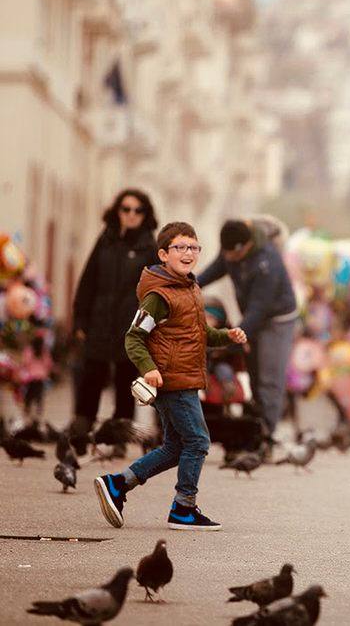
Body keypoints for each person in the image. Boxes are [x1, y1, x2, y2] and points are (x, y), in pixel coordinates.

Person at [94, 222, 246, 531]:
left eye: (194, 247)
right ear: (164, 254)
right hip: (172, 380)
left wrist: (227, 336)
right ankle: (183, 507)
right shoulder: (159, 295)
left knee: (175, 446)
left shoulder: (189, 287)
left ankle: (118, 484)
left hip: (185, 378)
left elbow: (199, 334)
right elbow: (134, 337)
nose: (188, 253)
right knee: (199, 441)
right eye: (180, 247)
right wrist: (149, 368)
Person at [197, 219, 298, 434]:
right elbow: (215, 269)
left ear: (247, 246)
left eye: (233, 255)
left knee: (269, 378)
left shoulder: (267, 262)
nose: (229, 259)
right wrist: (189, 285)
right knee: (253, 373)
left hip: (276, 320)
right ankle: (254, 429)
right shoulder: (231, 249)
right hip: (252, 318)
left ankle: (266, 436)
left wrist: (234, 338)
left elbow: (259, 309)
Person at [71, 189, 158, 434]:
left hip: (130, 325)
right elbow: (88, 281)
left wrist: (149, 327)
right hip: (100, 321)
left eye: (137, 210)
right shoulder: (105, 240)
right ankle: (82, 426)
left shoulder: (148, 246)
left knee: (124, 379)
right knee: (92, 373)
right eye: (126, 209)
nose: (131, 215)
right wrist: (80, 319)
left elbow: (155, 291)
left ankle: (120, 432)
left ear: (145, 214)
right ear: (117, 212)